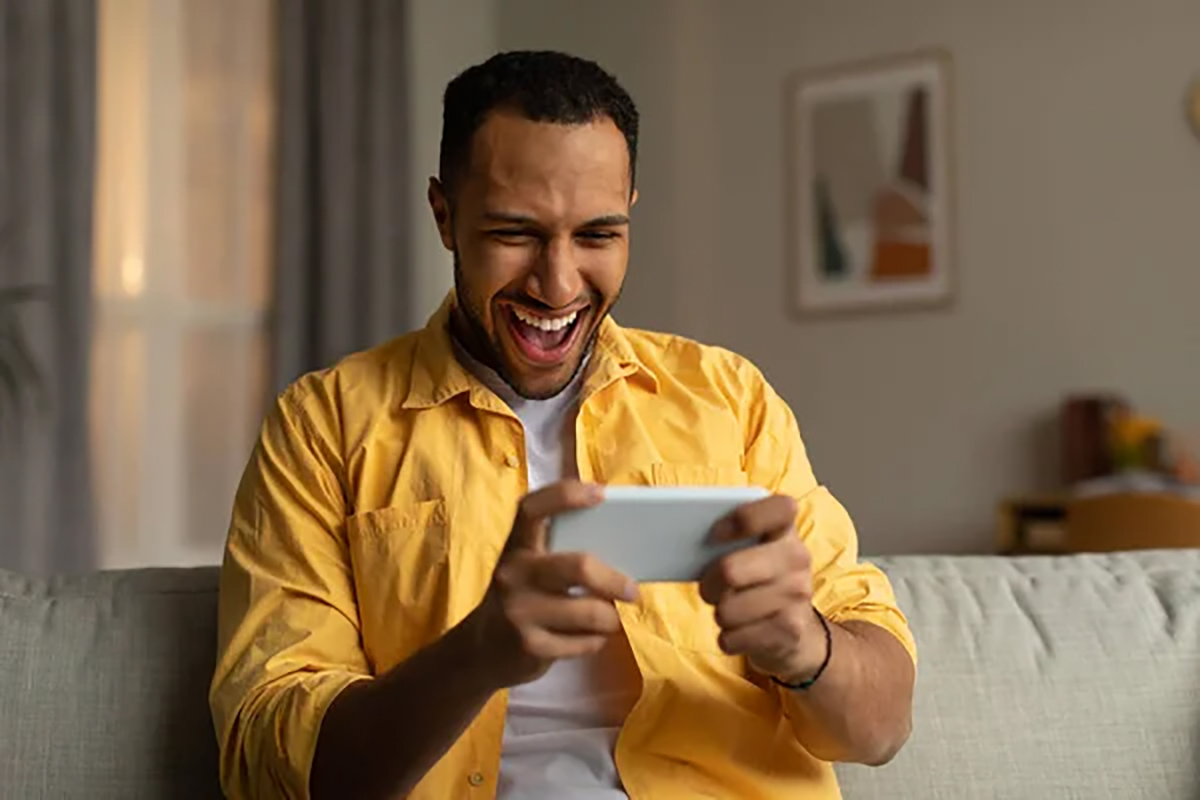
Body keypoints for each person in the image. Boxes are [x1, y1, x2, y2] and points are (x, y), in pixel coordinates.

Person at [209, 50, 916, 800]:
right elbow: (272, 766)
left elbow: (880, 729)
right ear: (444, 215)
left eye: (597, 235)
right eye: (516, 233)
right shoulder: (323, 427)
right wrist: (477, 654)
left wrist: (802, 645)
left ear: (630, 212)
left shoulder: (729, 400)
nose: (558, 284)